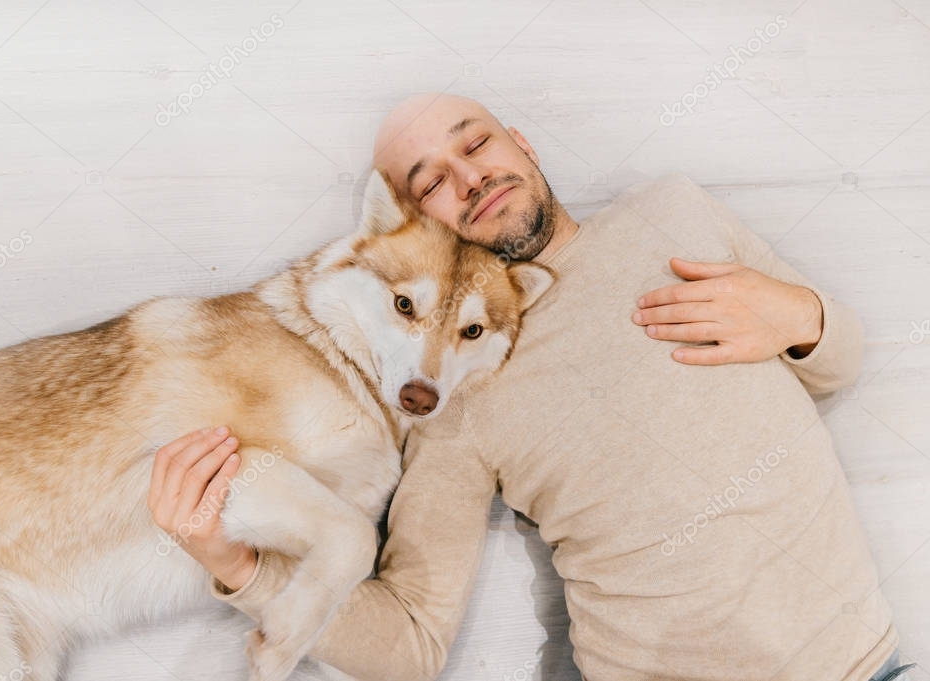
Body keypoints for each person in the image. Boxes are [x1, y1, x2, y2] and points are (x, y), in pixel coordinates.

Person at [149, 94, 911, 680]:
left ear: (523, 143)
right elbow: (411, 638)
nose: (468, 177)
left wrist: (800, 313)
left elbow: (834, 364)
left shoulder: (674, 210)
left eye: (475, 143)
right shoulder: (460, 393)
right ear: (422, 227)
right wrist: (238, 564)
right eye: (431, 184)